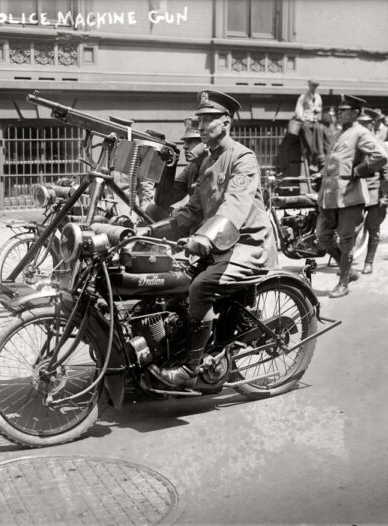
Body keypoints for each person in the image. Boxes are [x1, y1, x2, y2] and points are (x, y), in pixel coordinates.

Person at [139, 90, 277, 387]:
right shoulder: (205, 160)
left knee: (200, 287)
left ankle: (190, 369)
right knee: (170, 279)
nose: (200, 126)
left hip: (247, 245)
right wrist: (151, 231)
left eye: (208, 120)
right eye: (199, 120)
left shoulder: (242, 157)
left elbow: (234, 206)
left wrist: (203, 239)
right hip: (218, 245)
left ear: (225, 123)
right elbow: (191, 211)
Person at [316, 94, 387, 298]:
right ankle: (348, 270)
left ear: (355, 113)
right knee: (323, 238)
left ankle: (343, 282)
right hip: (329, 197)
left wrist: (360, 171)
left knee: (346, 241)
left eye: (343, 110)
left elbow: (380, 156)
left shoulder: (360, 132)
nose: (338, 113)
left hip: (350, 196)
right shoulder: (339, 133)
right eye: (338, 110)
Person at [357, 113, 388, 275]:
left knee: (373, 229)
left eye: (366, 124)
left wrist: (386, 197)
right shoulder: (354, 145)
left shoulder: (380, 145)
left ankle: (369, 262)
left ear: (372, 126)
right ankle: (346, 262)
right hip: (356, 194)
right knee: (350, 230)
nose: (363, 128)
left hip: (374, 195)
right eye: (360, 124)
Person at [146, 118, 207, 221]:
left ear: (205, 143)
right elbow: (162, 201)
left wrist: (181, 211)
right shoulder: (192, 168)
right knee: (152, 210)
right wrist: (170, 164)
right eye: (185, 142)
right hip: (191, 219)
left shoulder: (216, 164)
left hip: (206, 224)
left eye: (191, 142)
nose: (184, 147)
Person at [294, 80, 325, 165]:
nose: (313, 88)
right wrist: (302, 118)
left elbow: (320, 108)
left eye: (315, 86)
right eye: (312, 86)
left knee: (319, 128)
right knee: (306, 129)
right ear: (309, 86)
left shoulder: (318, 97)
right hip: (306, 120)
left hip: (315, 120)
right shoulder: (303, 96)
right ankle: (313, 154)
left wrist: (318, 111)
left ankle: (320, 154)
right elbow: (299, 108)